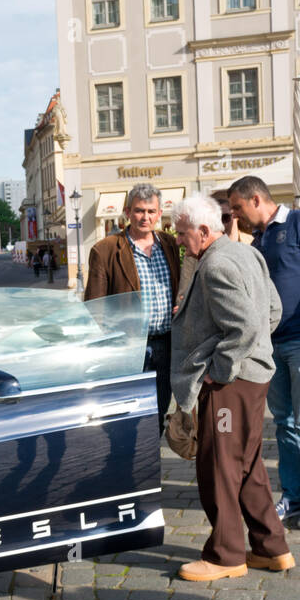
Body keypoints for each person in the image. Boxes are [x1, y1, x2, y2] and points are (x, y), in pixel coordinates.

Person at [170, 194, 291, 582]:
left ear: (204, 232)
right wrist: (252, 354)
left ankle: (225, 556)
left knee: (219, 467)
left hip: (232, 383)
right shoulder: (246, 253)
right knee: (247, 465)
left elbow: (246, 327)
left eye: (182, 233)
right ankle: (272, 548)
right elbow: (273, 310)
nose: (178, 241)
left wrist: (220, 370)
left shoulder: (216, 263)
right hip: (250, 378)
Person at [227, 176, 300, 530]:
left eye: (236, 207)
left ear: (256, 199)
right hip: (272, 343)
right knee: (286, 423)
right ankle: (293, 493)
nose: (234, 215)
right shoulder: (257, 239)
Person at [85, 182, 182, 427]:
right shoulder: (105, 249)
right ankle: (129, 462)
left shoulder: (169, 244)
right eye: (139, 210)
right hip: (129, 347)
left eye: (151, 211)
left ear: (160, 214)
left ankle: (149, 462)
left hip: (167, 344)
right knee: (129, 416)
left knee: (158, 413)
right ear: (127, 212)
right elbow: (94, 308)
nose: (145, 217)